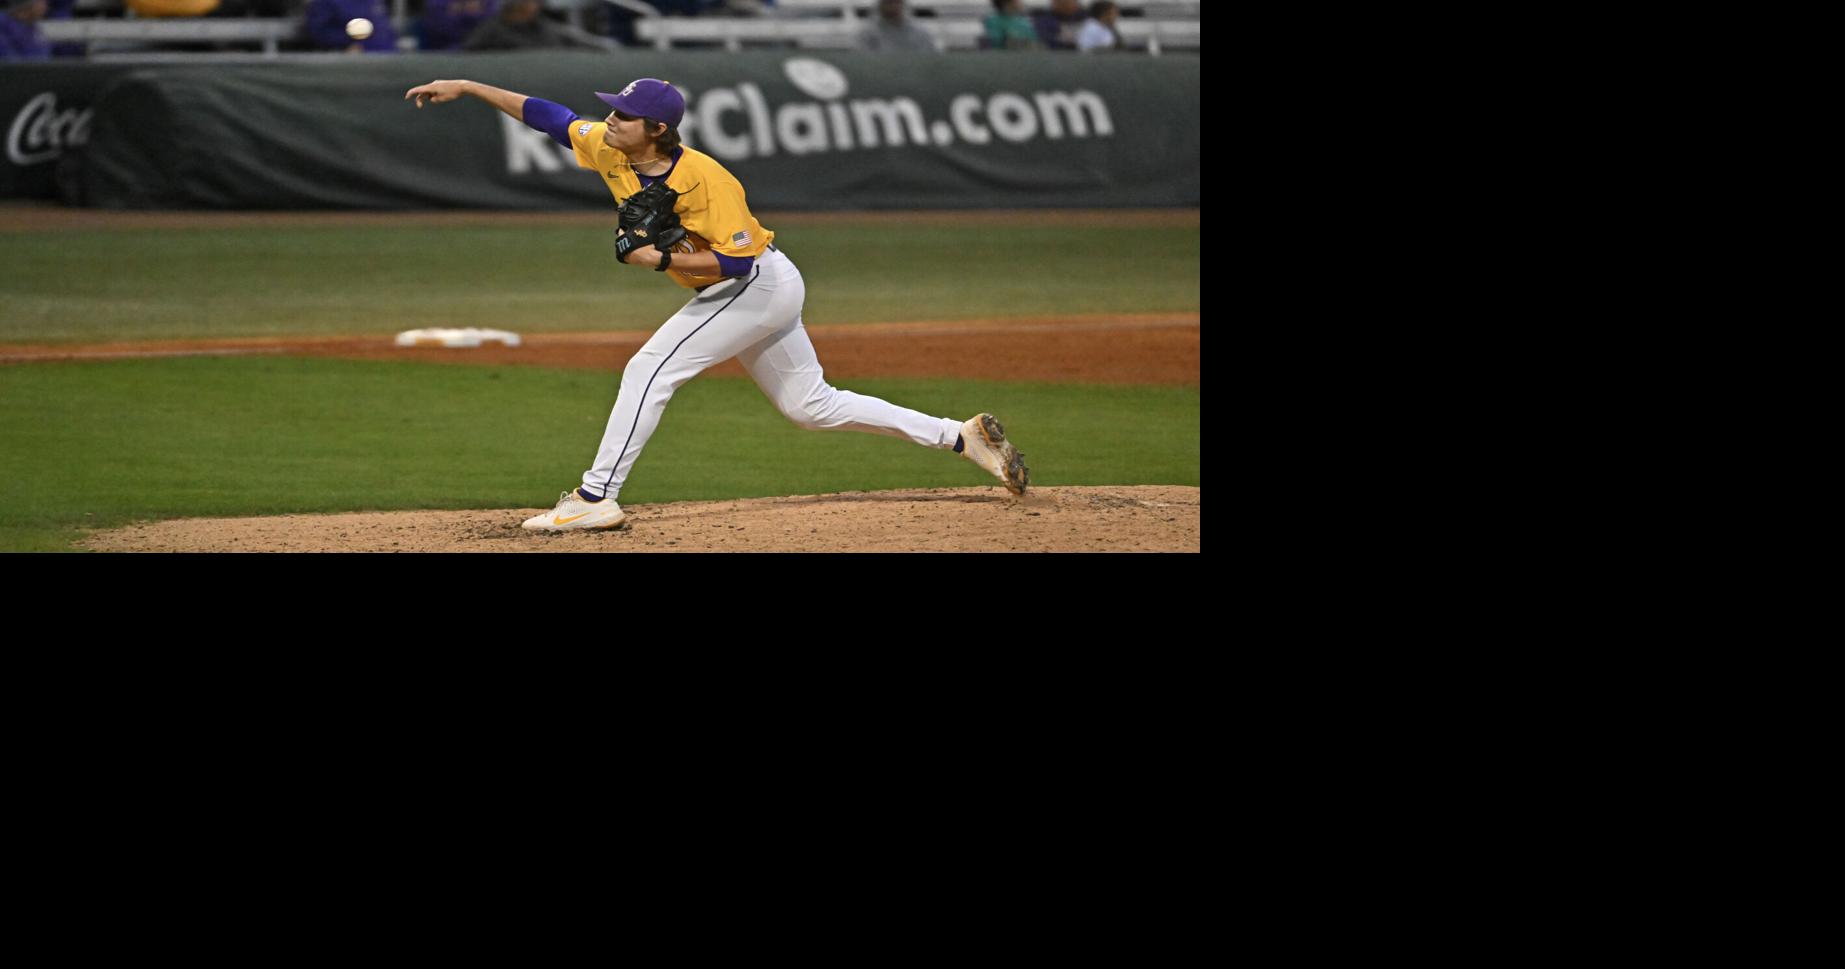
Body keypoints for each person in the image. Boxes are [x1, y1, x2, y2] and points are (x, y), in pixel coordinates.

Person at [402, 76, 1029, 532]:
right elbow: (548, 115)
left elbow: (735, 262)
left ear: (658, 130)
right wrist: (470, 87)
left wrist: (663, 260)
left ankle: (597, 497)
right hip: (749, 289)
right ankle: (960, 437)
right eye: (613, 112)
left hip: (752, 285)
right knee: (810, 405)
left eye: (624, 115)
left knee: (649, 369)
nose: (610, 121)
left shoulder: (705, 179)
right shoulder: (609, 147)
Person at [461, 0, 610, 50]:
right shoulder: (491, 31)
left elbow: (585, 44)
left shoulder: (544, 27)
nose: (536, 6)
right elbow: (471, 54)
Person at [304, 0, 399, 52]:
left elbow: (384, 28)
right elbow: (319, 32)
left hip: (388, 58)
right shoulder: (324, 3)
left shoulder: (374, 2)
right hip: (352, 63)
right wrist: (347, 44)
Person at [858, 0, 936, 53]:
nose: (892, 6)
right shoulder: (867, 34)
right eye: (888, 2)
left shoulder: (920, 34)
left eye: (896, 2)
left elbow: (929, 59)